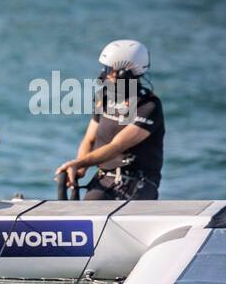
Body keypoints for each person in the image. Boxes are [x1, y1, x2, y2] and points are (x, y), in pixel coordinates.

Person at [54, 39, 164, 200]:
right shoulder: (104, 97)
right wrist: (80, 169)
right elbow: (89, 139)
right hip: (104, 178)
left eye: (108, 69)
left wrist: (80, 163)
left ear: (125, 73)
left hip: (137, 183)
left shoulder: (148, 106)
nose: (103, 74)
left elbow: (117, 146)